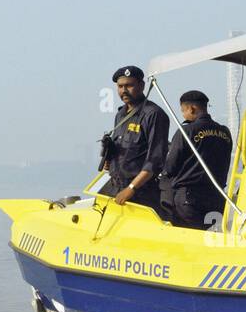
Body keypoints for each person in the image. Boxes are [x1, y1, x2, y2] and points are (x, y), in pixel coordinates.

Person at [159, 90, 232, 229]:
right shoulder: (225, 132)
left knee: (188, 241)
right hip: (217, 198)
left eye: (183, 111)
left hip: (190, 199)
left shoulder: (186, 131)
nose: (183, 115)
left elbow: (170, 166)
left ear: (192, 108)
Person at [99, 65, 169, 209]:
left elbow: (155, 160)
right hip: (116, 188)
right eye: (120, 86)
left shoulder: (153, 114)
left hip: (140, 193)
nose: (124, 90)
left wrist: (131, 188)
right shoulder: (120, 115)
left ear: (142, 86)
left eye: (129, 85)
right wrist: (109, 160)